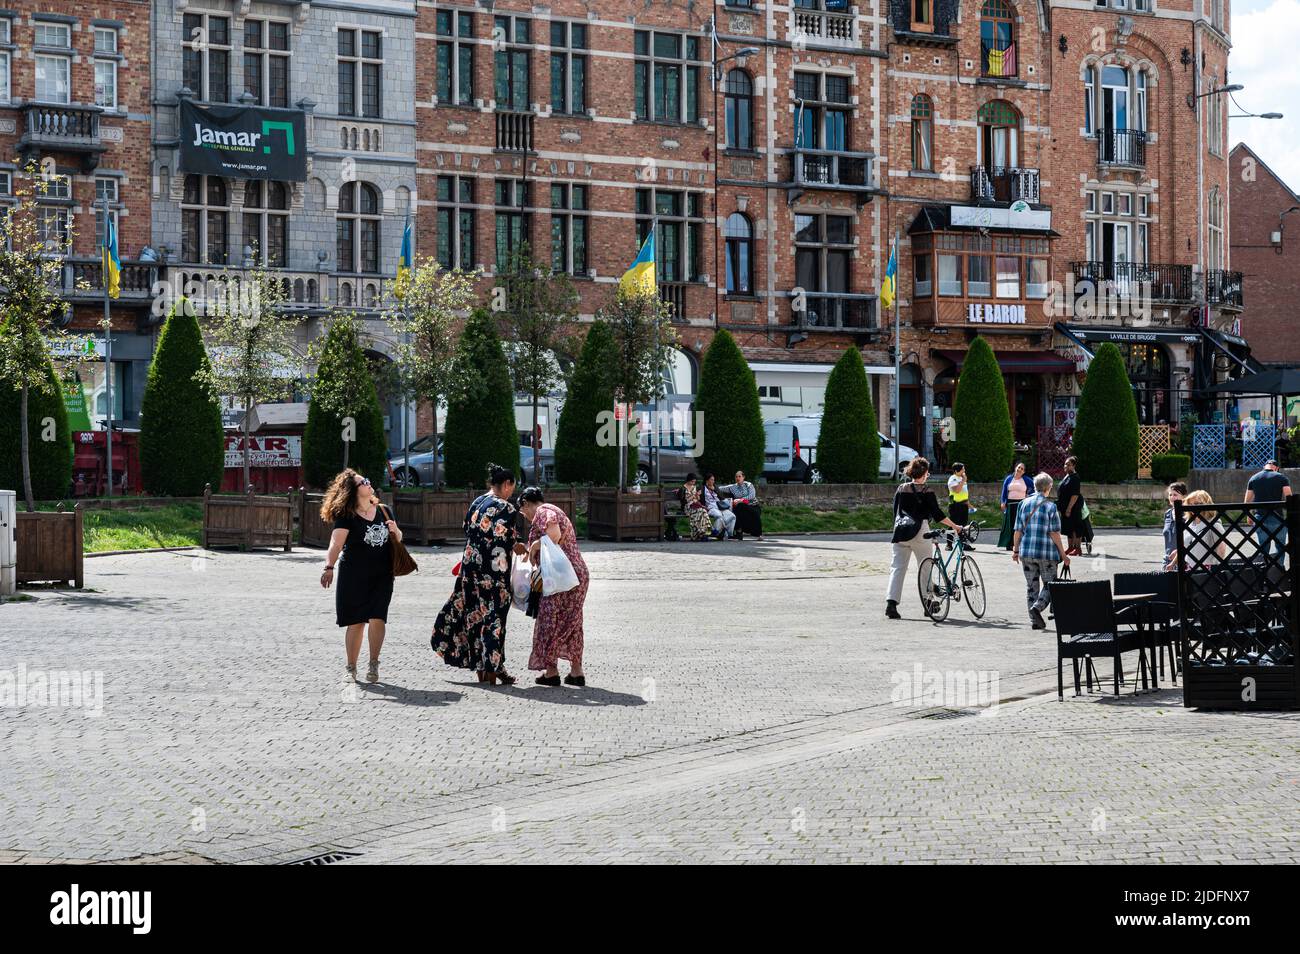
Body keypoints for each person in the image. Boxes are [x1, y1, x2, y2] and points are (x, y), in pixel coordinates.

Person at [432, 464, 528, 685]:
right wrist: (520, 546)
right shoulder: (507, 508)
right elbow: (505, 539)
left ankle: (486, 671)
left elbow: (467, 528)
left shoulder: (477, 502)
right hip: (493, 573)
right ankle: (491, 673)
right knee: (494, 620)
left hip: (470, 570)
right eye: (511, 488)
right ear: (506, 484)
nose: (511, 493)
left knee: (474, 618)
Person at [320, 469, 400, 683]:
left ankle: (374, 663)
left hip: (383, 574)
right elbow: (336, 544)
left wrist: (396, 531)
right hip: (354, 575)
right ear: (353, 491)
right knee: (356, 622)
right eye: (363, 482)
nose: (368, 482)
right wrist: (328, 567)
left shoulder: (384, 511)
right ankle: (351, 666)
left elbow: (399, 539)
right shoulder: (347, 516)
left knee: (378, 617)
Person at [518, 487, 590, 687]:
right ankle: (576, 672)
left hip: (559, 578)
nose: (526, 517)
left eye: (523, 512)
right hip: (576, 575)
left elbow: (554, 535)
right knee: (573, 621)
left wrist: (534, 546)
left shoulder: (543, 511)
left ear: (526, 504)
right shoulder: (555, 509)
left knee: (550, 621)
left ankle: (551, 672)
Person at [885, 457, 965, 620]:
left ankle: (891, 604)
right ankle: (927, 603)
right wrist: (955, 526)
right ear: (925, 473)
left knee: (897, 568)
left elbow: (895, 511)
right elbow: (938, 515)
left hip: (900, 530)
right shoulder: (926, 491)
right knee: (926, 567)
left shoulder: (901, 488)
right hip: (920, 530)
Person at [1012, 472, 1071, 630]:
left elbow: (1018, 530)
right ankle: (1037, 608)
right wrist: (1063, 554)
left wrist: (1016, 550)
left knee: (1031, 586)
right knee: (1051, 585)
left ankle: (1034, 621)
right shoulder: (1051, 507)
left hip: (1026, 552)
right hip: (1046, 553)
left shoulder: (1023, 504)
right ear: (1049, 487)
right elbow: (1054, 533)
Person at [1167, 489, 1228, 570]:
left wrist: (1216, 569)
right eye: (1190, 504)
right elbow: (1184, 546)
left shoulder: (1214, 524)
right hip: (1189, 568)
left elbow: (1222, 548)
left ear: (1206, 504)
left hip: (1207, 570)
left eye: (1196, 503)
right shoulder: (1190, 523)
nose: (1192, 507)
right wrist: (1172, 564)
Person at [1244, 458, 1291, 562]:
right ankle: (1280, 571)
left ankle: (1264, 571)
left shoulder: (1254, 478)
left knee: (1263, 548)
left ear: (1264, 467)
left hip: (1260, 517)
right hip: (1277, 517)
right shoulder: (1282, 478)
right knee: (1280, 547)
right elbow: (1289, 498)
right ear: (1276, 468)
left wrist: (1248, 515)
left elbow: (1247, 501)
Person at [998, 462, 1034, 551]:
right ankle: (1009, 544)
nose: (1019, 470)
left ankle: (1019, 544)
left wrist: (1028, 495)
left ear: (1024, 472)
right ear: (1015, 468)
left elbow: (1034, 487)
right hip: (1010, 505)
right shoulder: (1009, 478)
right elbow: (1004, 491)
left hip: (1021, 505)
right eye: (1019, 467)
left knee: (1020, 525)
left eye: (1022, 469)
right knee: (1010, 525)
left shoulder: (1026, 479)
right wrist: (1003, 502)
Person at [721, 470, 763, 541]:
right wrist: (711, 487)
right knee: (738, 508)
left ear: (743, 477)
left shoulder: (748, 485)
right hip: (742, 507)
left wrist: (740, 500)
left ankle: (758, 534)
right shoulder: (732, 487)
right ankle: (739, 533)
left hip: (753, 505)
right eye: (736, 477)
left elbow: (752, 496)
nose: (738, 478)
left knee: (754, 513)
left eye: (739, 476)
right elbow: (720, 488)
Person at [1057, 456, 1085, 556]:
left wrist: (1069, 508)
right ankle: (1070, 547)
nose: (1066, 466)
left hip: (1073, 506)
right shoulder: (1067, 476)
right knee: (1068, 527)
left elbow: (1075, 495)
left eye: (1068, 464)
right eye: (1065, 464)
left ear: (1074, 466)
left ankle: (1078, 549)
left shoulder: (1075, 478)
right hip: (1064, 506)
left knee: (1075, 527)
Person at [1161, 481, 1189, 569]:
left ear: (1184, 496)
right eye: (1170, 495)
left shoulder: (1188, 514)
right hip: (1167, 560)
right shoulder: (1168, 514)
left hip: (1184, 560)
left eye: (1175, 495)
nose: (1172, 497)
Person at [702, 472, 736, 540]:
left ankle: (728, 534)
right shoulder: (702, 488)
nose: (713, 481)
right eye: (711, 480)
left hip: (720, 506)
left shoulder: (715, 487)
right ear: (707, 480)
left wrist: (714, 489)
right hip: (711, 508)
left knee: (732, 516)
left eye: (713, 480)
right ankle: (716, 532)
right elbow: (700, 499)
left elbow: (722, 498)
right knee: (719, 516)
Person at [680, 473, 713, 541]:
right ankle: (704, 532)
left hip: (696, 506)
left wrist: (697, 496)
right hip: (688, 507)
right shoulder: (683, 488)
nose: (693, 483)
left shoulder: (694, 487)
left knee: (702, 511)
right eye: (692, 481)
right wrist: (693, 496)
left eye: (694, 481)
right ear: (688, 480)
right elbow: (684, 502)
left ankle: (700, 533)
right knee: (701, 511)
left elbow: (698, 499)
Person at [946, 462, 972, 527]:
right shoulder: (952, 478)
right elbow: (957, 490)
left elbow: (964, 493)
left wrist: (968, 503)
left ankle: (961, 537)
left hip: (963, 504)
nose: (964, 471)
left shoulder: (962, 478)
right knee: (954, 524)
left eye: (964, 469)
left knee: (963, 523)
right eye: (962, 469)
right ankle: (951, 537)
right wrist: (963, 480)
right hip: (955, 504)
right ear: (956, 471)